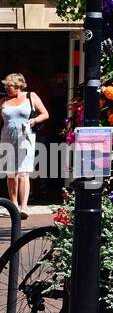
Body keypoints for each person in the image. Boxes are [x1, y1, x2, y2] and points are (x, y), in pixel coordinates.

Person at [2, 73, 49, 219]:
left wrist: (34, 121)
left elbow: (45, 114)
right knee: (11, 173)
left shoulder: (31, 96)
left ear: (18, 86)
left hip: (26, 137)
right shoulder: (3, 101)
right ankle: (13, 204)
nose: (6, 88)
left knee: (23, 172)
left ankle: (24, 207)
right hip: (7, 138)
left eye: (8, 86)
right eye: (5, 86)